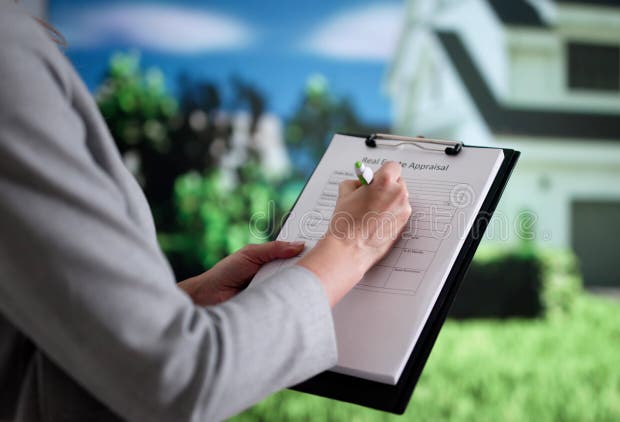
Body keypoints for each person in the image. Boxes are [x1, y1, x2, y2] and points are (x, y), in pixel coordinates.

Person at [0, 2, 412, 421]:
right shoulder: (8, 59)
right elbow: (176, 381)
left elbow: (32, 341)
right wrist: (352, 244)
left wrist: (187, 304)